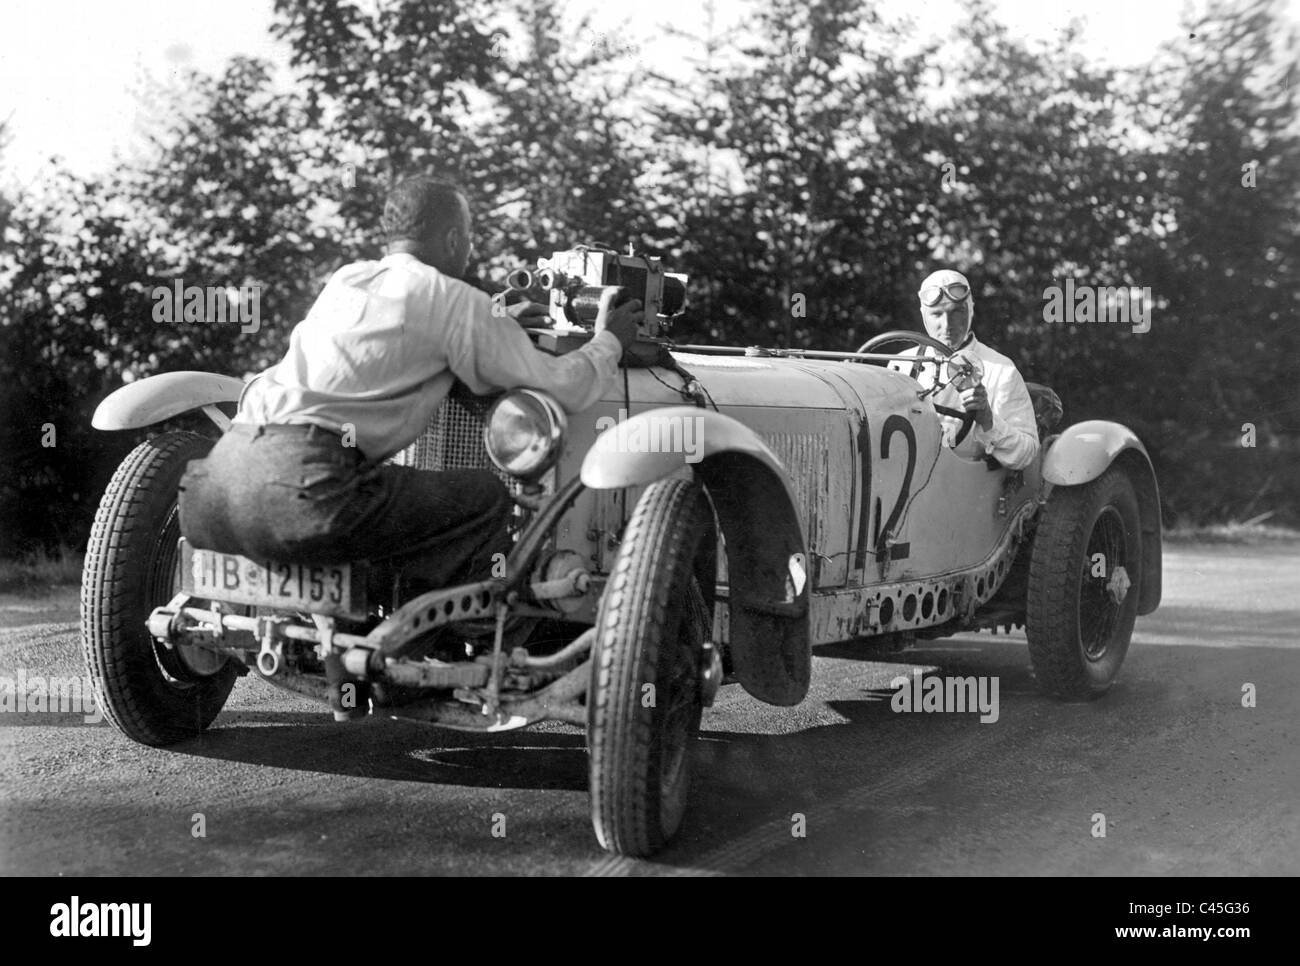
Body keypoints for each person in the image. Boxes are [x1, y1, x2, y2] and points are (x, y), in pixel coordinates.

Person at [178, 175, 642, 599]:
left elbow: (396, 334)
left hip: (211, 493)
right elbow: (563, 386)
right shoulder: (453, 298)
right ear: (454, 239)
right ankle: (470, 640)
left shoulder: (347, 280)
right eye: (469, 239)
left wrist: (495, 319)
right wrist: (609, 341)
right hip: (305, 494)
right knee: (485, 498)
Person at [888, 268, 1039, 470]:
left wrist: (987, 419)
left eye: (956, 312)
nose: (947, 325)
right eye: (936, 314)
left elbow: (1026, 454)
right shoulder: (900, 364)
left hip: (963, 487)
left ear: (971, 310)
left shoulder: (1001, 370)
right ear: (924, 315)